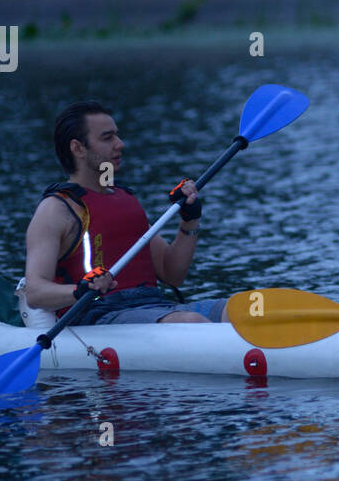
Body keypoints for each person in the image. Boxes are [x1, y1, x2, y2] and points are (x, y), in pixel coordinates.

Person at [23, 101, 226, 325]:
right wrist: (80, 289)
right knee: (191, 322)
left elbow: (172, 273)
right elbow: (35, 293)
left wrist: (190, 219)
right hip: (99, 314)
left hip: (154, 306)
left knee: (242, 311)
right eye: (107, 138)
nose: (120, 144)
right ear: (78, 148)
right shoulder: (56, 210)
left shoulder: (124, 199)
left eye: (117, 136)